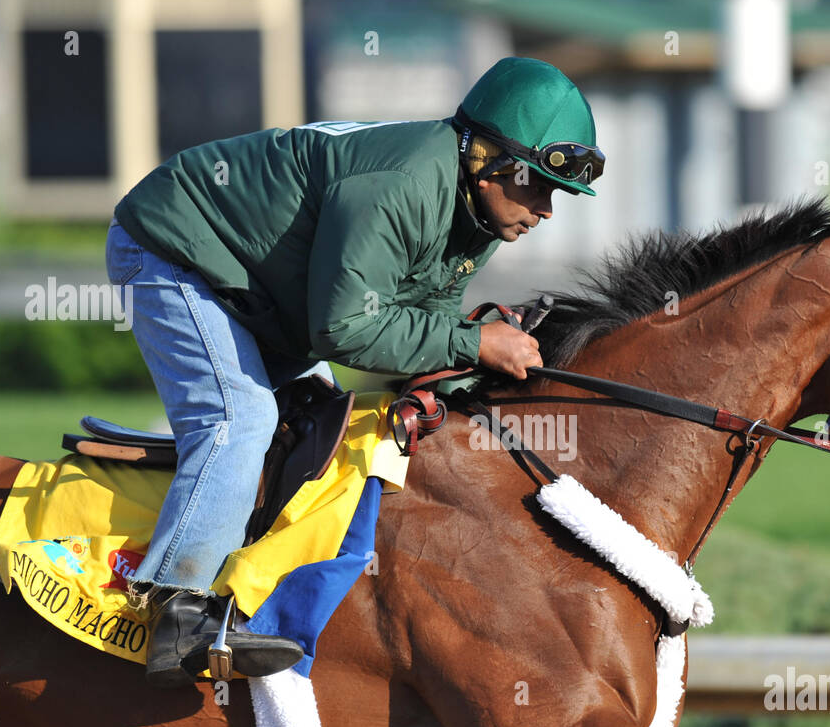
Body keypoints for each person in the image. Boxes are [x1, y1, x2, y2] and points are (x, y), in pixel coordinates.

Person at [104, 56, 605, 686]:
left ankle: (257, 591)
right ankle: (173, 612)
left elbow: (419, 329)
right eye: (537, 185)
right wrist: (474, 344)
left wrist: (473, 373)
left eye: (555, 193)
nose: (547, 210)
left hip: (264, 292)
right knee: (241, 419)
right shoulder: (400, 184)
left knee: (326, 430)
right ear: (487, 161)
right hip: (171, 250)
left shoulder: (473, 213)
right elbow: (343, 329)